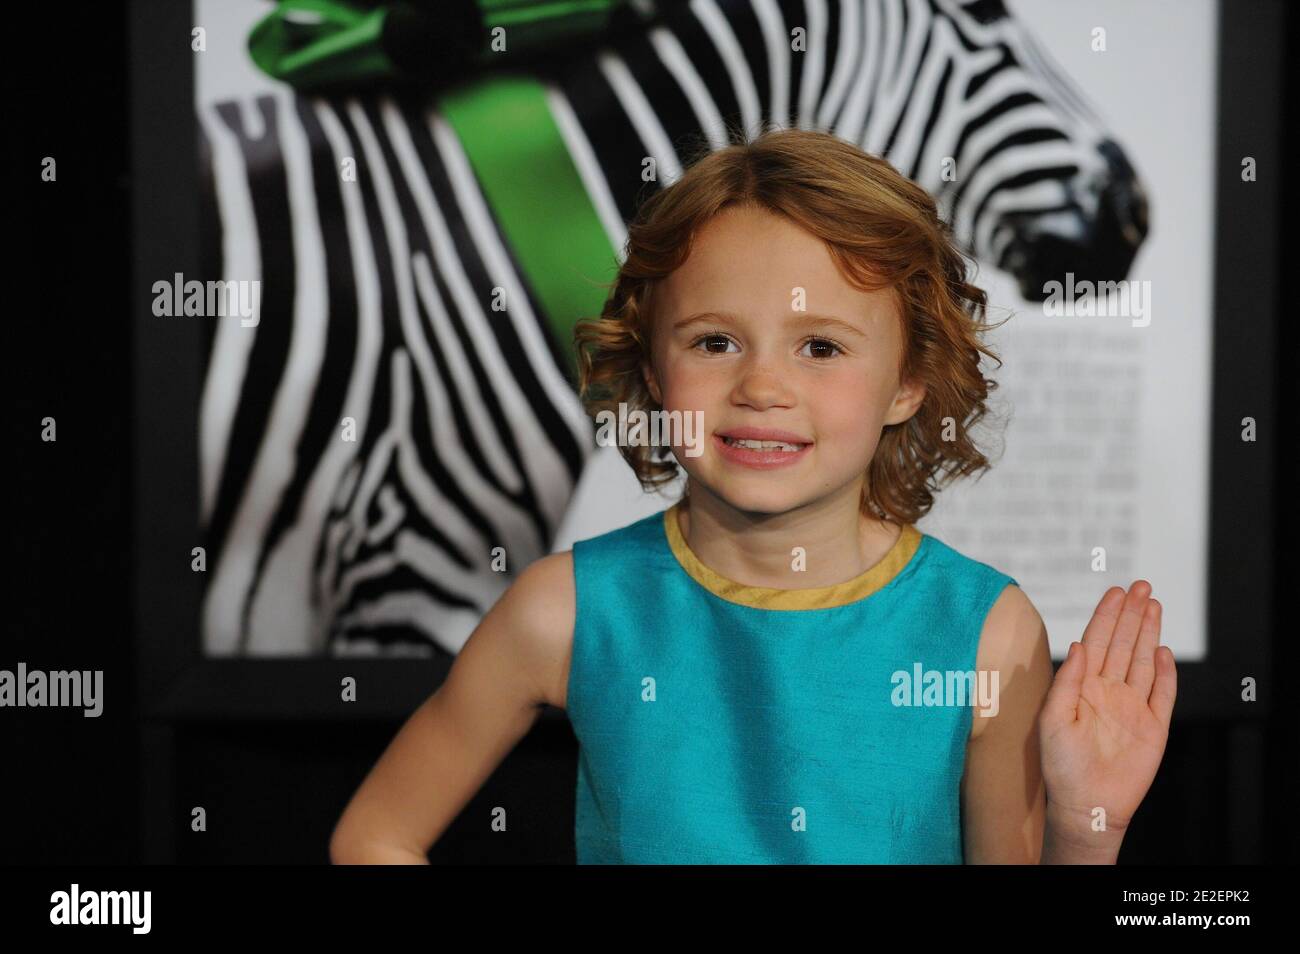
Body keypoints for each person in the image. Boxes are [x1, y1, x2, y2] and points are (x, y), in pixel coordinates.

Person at [327, 127, 1176, 864]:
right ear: (655, 370)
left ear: (909, 382)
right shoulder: (567, 610)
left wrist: (1086, 832)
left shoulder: (988, 635)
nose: (762, 385)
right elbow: (373, 835)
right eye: (716, 340)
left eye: (820, 347)